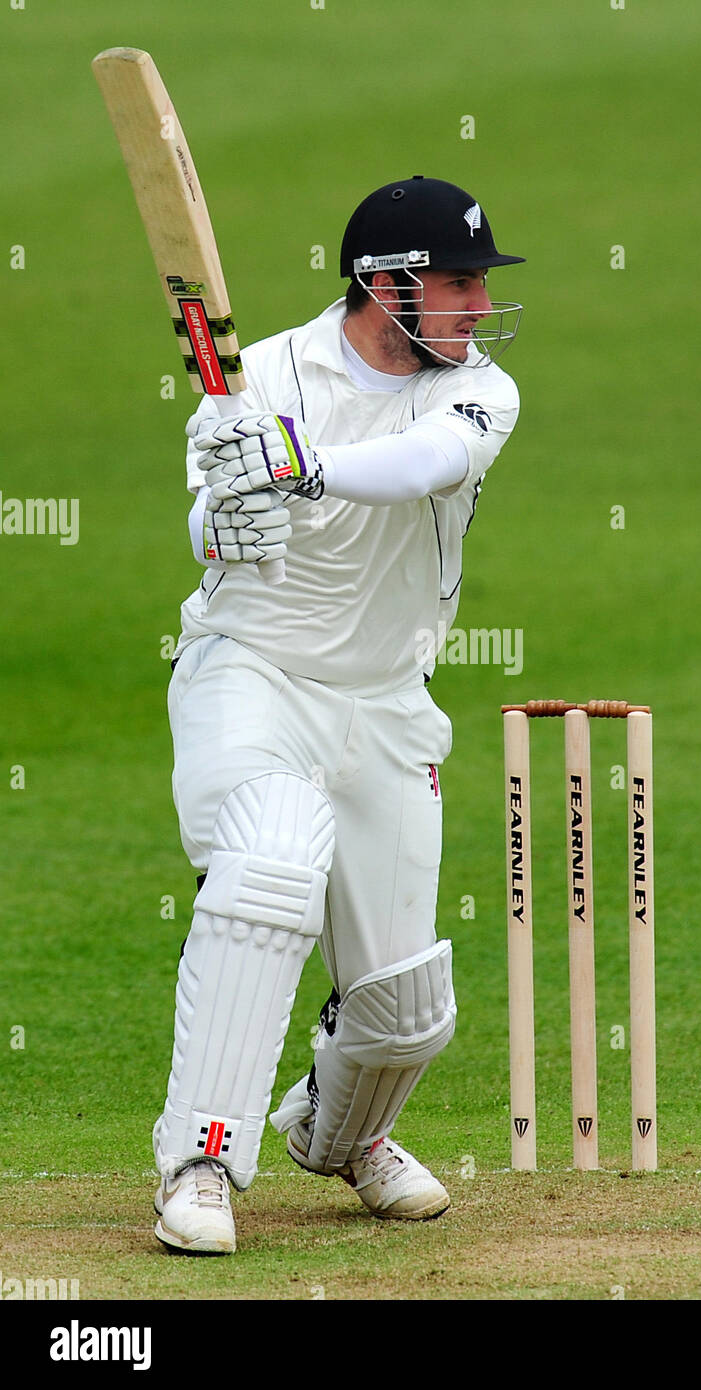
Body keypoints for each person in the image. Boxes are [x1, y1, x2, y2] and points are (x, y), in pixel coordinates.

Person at [151, 176, 525, 1253]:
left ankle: (339, 1127)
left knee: (404, 1006)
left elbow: (426, 463)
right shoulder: (258, 376)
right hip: (254, 679)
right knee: (273, 860)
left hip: (387, 703)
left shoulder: (481, 392)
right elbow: (204, 528)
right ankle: (202, 1160)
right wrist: (230, 509)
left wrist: (302, 464)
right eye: (457, 283)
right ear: (385, 284)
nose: (474, 305)